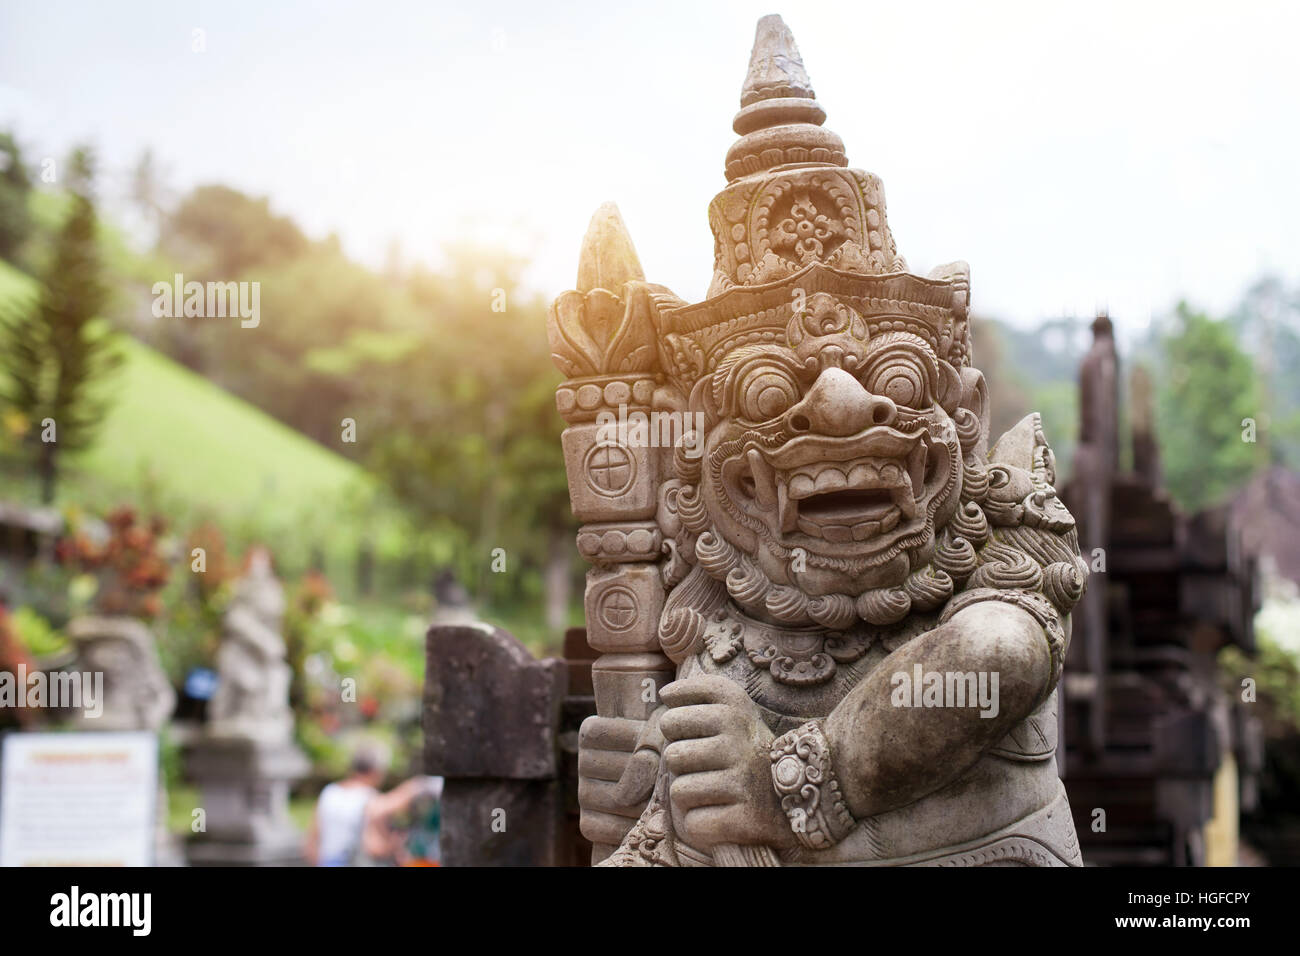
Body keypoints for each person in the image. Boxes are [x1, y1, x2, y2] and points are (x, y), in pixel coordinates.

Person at [305, 747, 385, 866]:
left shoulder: (329, 792)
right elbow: (373, 846)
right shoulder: (371, 797)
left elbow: (311, 841)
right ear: (376, 772)